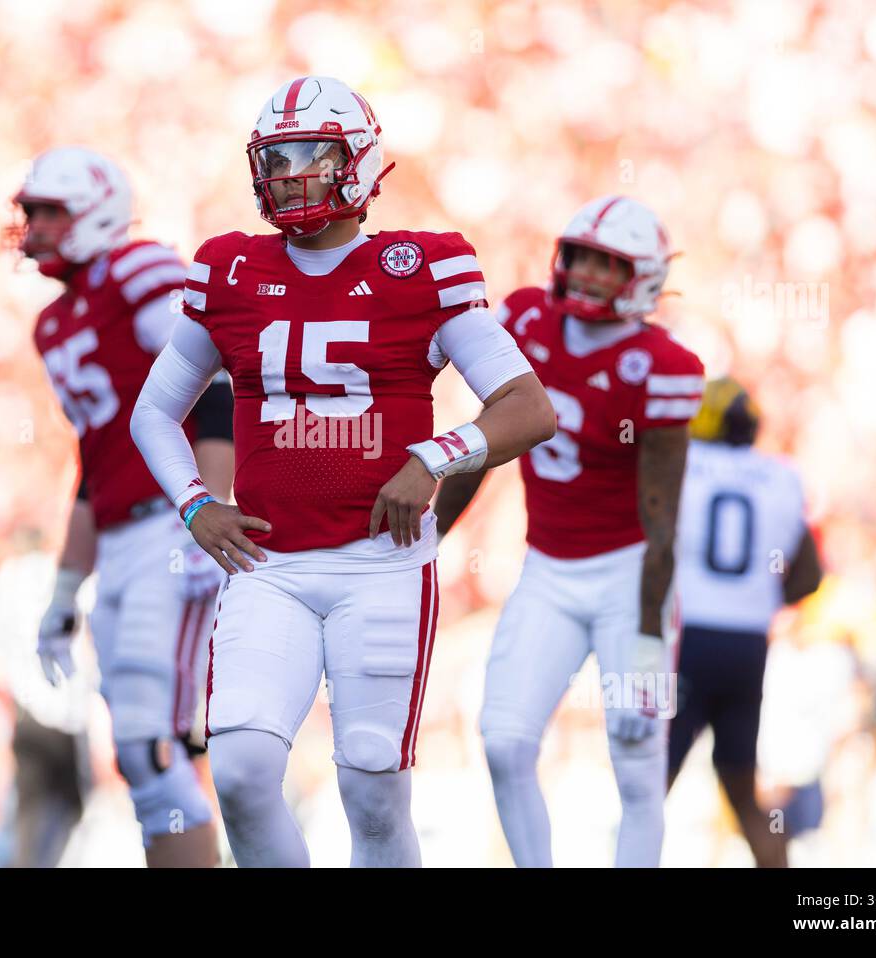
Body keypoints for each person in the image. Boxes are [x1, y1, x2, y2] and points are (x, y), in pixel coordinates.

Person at [130, 75, 554, 867]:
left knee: (373, 794)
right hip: (269, 564)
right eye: (275, 158)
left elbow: (527, 407)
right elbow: (154, 411)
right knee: (244, 771)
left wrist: (433, 455)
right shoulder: (227, 269)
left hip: (379, 565)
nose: (288, 174)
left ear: (357, 162)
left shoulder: (422, 264)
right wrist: (195, 505)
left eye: (308, 155)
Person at [435, 195, 704, 867]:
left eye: (605, 264)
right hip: (549, 570)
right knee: (502, 740)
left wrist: (648, 635)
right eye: (579, 255)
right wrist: (429, 534)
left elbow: (661, 513)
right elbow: (484, 448)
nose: (584, 272)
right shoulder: (526, 319)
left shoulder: (664, 365)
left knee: (637, 750)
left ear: (640, 277)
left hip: (627, 573)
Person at [12, 146, 234, 867]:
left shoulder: (139, 272)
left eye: (49, 212)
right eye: (31, 212)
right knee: (138, 754)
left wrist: (209, 510)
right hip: (119, 541)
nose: (34, 226)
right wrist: (65, 587)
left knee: (155, 741)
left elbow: (216, 389)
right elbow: (94, 463)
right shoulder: (53, 325)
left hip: (174, 522)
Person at [669, 376, 822, 867]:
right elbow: (809, 577)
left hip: (688, 641)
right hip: (748, 647)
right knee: (741, 790)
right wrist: (758, 598)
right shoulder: (781, 475)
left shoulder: (681, 465)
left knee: (647, 789)